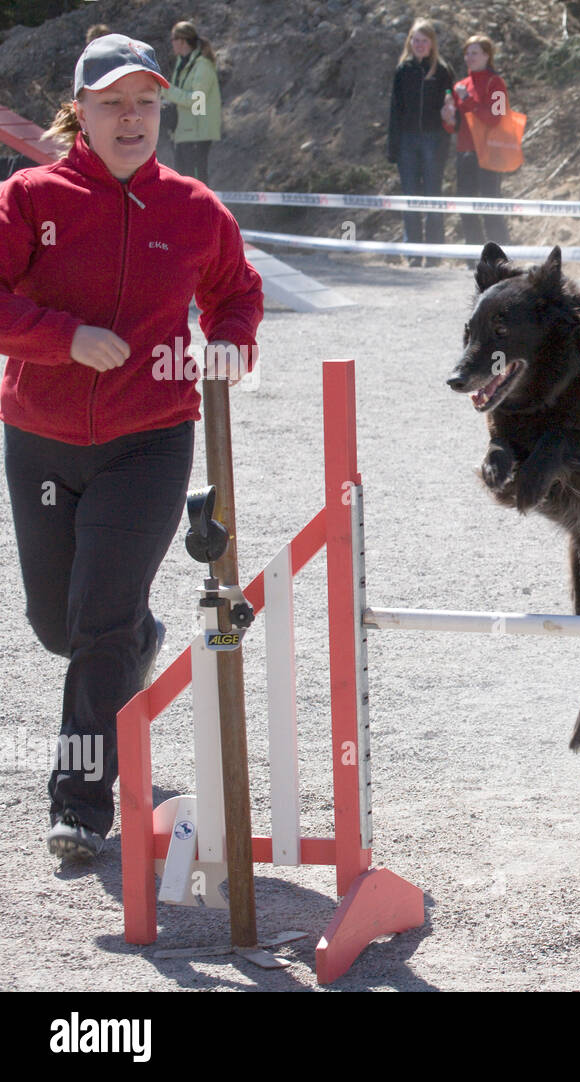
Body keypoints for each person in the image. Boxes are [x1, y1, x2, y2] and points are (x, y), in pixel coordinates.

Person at [0, 33, 262, 860]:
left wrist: (230, 344)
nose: (131, 118)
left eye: (145, 103)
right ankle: (137, 644)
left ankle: (79, 803)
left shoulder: (193, 208)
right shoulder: (29, 198)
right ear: (80, 112)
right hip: (40, 438)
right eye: (113, 103)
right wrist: (61, 337)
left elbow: (238, 296)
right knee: (57, 625)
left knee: (99, 622)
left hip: (148, 443)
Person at [387, 18, 455, 265]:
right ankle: (414, 254)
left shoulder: (443, 71)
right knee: (410, 197)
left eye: (424, 40)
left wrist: (446, 139)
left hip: (434, 140)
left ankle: (435, 255)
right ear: (410, 42)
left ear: (432, 44)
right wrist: (392, 146)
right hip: (406, 141)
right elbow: (395, 110)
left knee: (432, 196)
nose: (419, 44)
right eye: (415, 40)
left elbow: (450, 107)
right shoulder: (402, 71)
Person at [442, 34, 510, 246]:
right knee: (466, 205)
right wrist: (448, 118)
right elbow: (454, 126)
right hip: (465, 152)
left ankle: (502, 257)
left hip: (489, 154)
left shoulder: (496, 83)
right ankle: (473, 256)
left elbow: (496, 118)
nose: (470, 57)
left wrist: (468, 101)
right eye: (467, 53)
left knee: (490, 206)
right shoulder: (460, 85)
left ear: (487, 56)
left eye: (475, 53)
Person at [162, 21, 221, 184]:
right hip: (183, 133)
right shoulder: (183, 64)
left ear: (181, 40)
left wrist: (166, 89)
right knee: (183, 184)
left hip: (196, 134)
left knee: (196, 183)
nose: (172, 43)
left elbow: (197, 103)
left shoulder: (202, 66)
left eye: (173, 39)